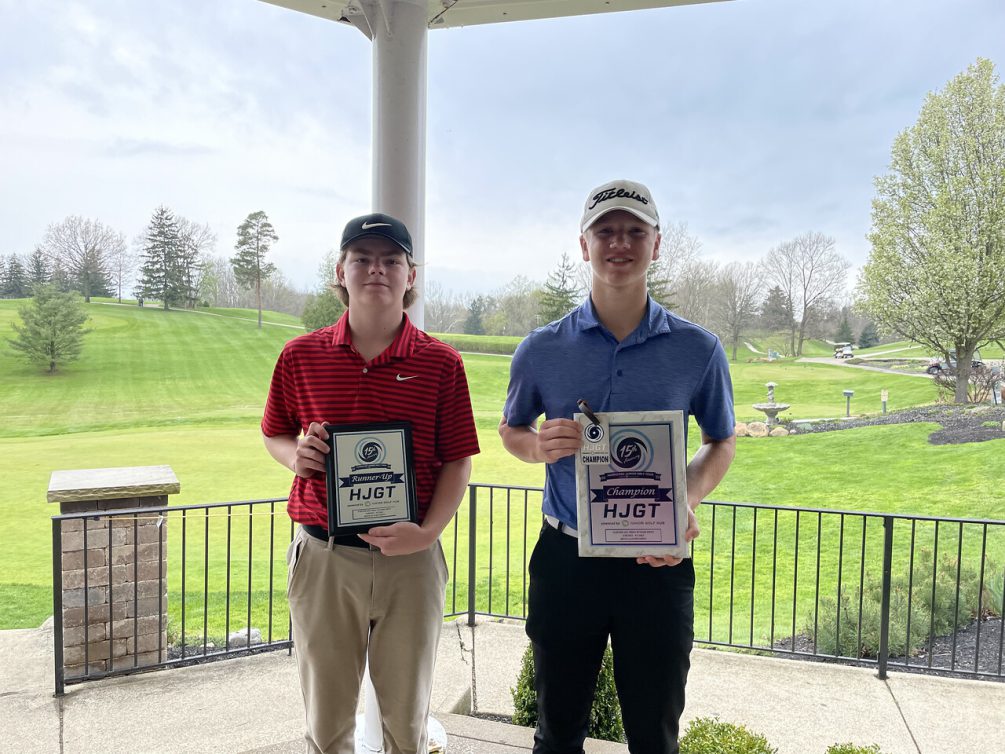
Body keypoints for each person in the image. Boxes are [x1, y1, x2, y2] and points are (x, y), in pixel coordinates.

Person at [499, 180, 736, 754]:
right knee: (557, 734)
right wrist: (538, 447)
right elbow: (512, 430)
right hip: (566, 559)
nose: (620, 243)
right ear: (584, 245)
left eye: (635, 231)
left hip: (656, 562)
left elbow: (720, 442)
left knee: (654, 737)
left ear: (658, 244)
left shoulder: (698, 349)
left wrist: (684, 501)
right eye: (605, 231)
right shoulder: (541, 349)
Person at [261, 212, 480, 754]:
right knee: (326, 725)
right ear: (341, 271)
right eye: (362, 259)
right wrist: (295, 457)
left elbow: (458, 461)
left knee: (406, 724)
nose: (376, 269)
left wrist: (427, 534)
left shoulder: (442, 363)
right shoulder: (300, 356)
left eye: (391, 260)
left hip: (411, 561)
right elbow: (275, 433)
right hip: (325, 557)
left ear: (410, 276)